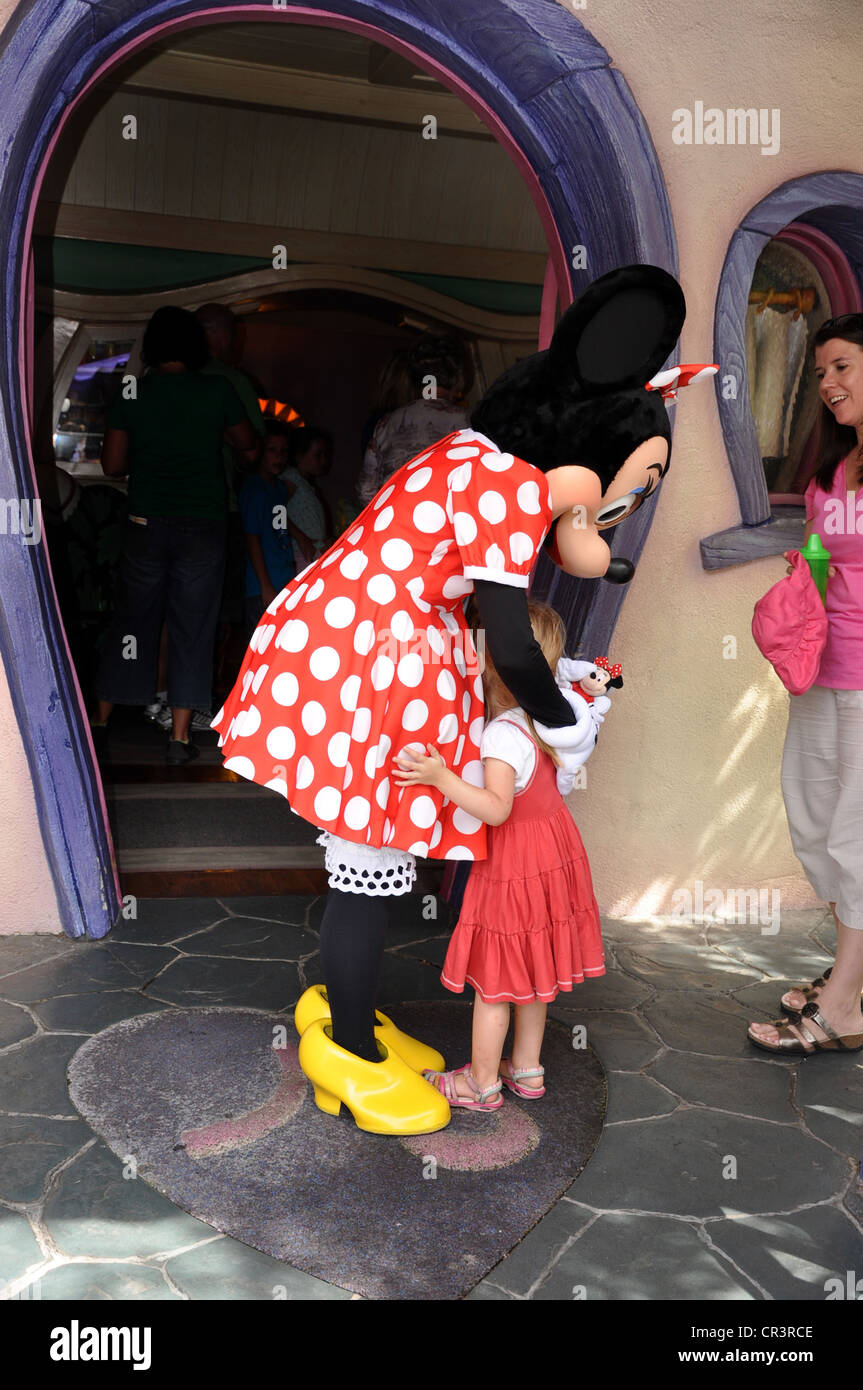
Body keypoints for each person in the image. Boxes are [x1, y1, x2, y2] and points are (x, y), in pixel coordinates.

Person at [213, 264, 716, 1135]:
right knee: (369, 868)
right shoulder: (505, 485)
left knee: (368, 860)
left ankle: (350, 1017)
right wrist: (563, 725)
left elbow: (515, 602)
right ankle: (350, 1056)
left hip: (364, 650)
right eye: (620, 493)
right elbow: (511, 640)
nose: (616, 515)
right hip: (372, 661)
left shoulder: (475, 463)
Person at [392, 601, 605, 1109]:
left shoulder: (502, 734)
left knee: (494, 981)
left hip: (514, 865)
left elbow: (494, 809)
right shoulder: (553, 716)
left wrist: (439, 778)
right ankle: (527, 1069)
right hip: (551, 853)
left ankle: (481, 1082)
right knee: (533, 971)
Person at [748, 313, 863, 1055]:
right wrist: (795, 600)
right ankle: (851, 971)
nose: (826, 384)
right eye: (819, 372)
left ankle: (844, 1006)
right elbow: (821, 559)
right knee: (815, 823)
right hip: (823, 673)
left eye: (842, 367)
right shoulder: (830, 473)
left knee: (856, 838)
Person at [91, 306, 256, 763]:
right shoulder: (217, 389)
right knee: (193, 627)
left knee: (132, 621)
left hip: (145, 521)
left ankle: (101, 721)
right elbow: (247, 443)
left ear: (152, 345)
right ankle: (180, 738)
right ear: (197, 347)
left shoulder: (134, 392)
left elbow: (111, 465)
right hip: (203, 523)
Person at [355, 334, 472, 504]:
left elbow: (366, 491)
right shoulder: (470, 421)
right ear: (458, 377)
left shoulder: (385, 424)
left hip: (403, 522)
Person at [240, 422, 315, 641]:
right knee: (261, 646)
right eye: (272, 450)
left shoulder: (277, 489)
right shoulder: (254, 490)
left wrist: (301, 537)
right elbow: (252, 538)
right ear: (259, 451)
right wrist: (265, 585)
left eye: (284, 451)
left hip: (282, 581)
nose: (279, 457)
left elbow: (280, 520)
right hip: (263, 589)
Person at [278, 426, 333, 569]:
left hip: (314, 550)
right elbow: (276, 509)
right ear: (299, 456)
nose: (323, 460)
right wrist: (301, 538)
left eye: (324, 455)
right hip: (301, 552)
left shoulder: (307, 485)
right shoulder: (291, 478)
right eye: (317, 455)